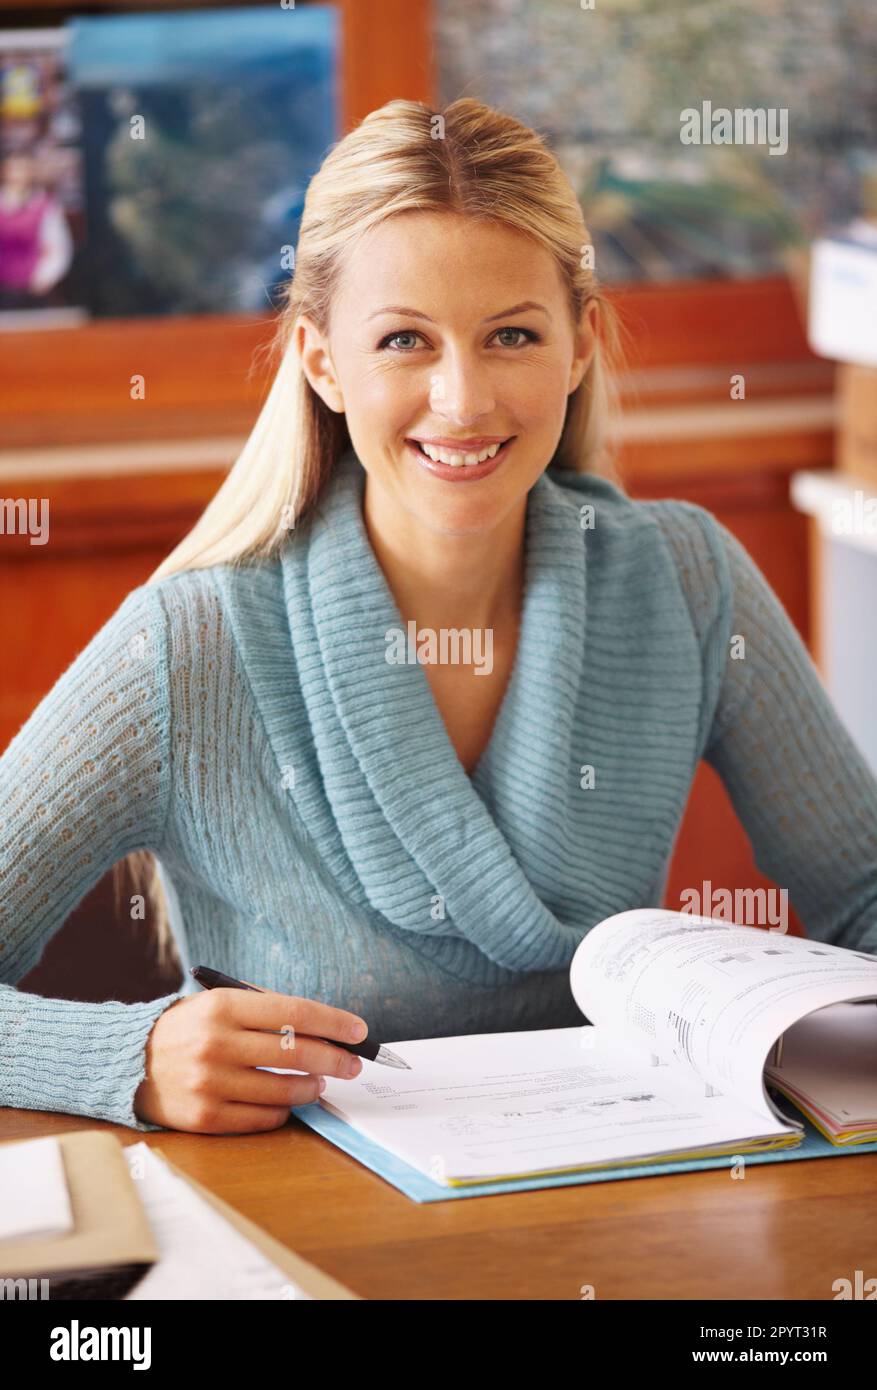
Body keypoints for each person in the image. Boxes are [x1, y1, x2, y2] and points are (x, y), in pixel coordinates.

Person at [2, 98, 876, 1137]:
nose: (462, 401)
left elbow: (860, 892)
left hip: (620, 1217)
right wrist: (129, 1056)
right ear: (322, 360)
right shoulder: (188, 644)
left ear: (581, 344)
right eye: (404, 341)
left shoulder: (682, 578)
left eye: (511, 334)